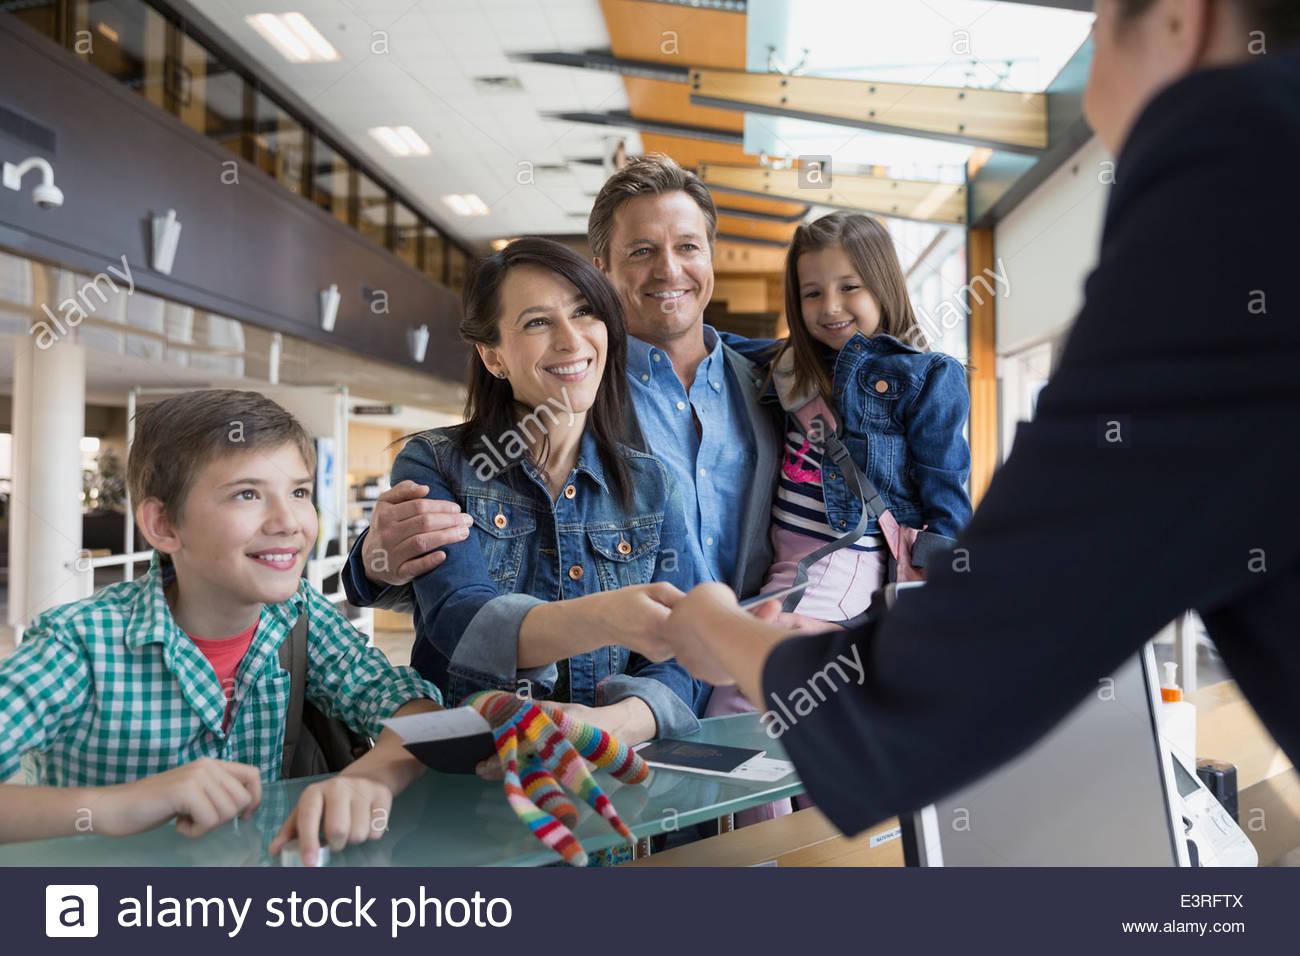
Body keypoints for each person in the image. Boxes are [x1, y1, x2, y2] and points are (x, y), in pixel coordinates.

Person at [659, 0, 1300, 836]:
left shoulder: (1234, 162)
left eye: (1097, 32)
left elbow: (962, 671)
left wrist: (722, 633)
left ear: (1182, 18)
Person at [343, 157, 785, 661]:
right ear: (604, 273)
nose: (669, 269)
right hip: (629, 682)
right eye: (642, 251)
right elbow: (454, 592)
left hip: (731, 682)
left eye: (688, 247)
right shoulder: (574, 388)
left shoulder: (771, 382)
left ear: (710, 257)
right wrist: (374, 559)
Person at [0, 390, 442, 865]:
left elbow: (417, 713)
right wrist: (117, 807)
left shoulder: (299, 616)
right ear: (163, 524)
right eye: (246, 494)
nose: (289, 521)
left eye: (299, 492)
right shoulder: (80, 645)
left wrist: (369, 779)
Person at [356, 238, 702, 743]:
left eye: (584, 312)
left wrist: (599, 727)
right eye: (538, 322)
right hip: (467, 773)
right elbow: (463, 623)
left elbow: (682, 661)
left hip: (608, 779)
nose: (570, 340)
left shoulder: (654, 485)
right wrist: (609, 616)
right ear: (493, 356)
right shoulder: (439, 464)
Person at [703, 212, 972, 826]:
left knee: (742, 700)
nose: (831, 306)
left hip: (844, 560)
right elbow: (710, 342)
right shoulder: (789, 366)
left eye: (849, 286)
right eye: (812, 291)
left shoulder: (926, 376)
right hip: (793, 563)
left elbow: (947, 492)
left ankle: (760, 861)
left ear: (883, 283)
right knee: (798, 715)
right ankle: (798, 845)